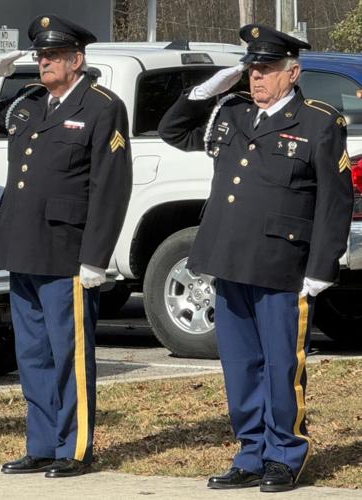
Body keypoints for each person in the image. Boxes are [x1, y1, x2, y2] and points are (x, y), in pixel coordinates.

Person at [158, 24, 353, 492]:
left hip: (282, 265)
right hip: (228, 260)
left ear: (293, 72)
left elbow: (334, 199)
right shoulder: (233, 114)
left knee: (282, 363)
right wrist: (207, 89)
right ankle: (250, 452)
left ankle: (284, 454)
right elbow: (172, 130)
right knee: (240, 364)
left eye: (266, 69)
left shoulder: (318, 122)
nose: (256, 77)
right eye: (251, 69)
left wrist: (322, 267)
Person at [0, 14, 132, 478]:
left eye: (52, 56)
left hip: (67, 249)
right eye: (41, 55)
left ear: (77, 59)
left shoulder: (100, 106)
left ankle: (74, 448)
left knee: (68, 353)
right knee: (31, 353)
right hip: (23, 245)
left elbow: (111, 186)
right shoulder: (30, 102)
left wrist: (96, 256)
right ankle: (42, 443)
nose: (44, 62)